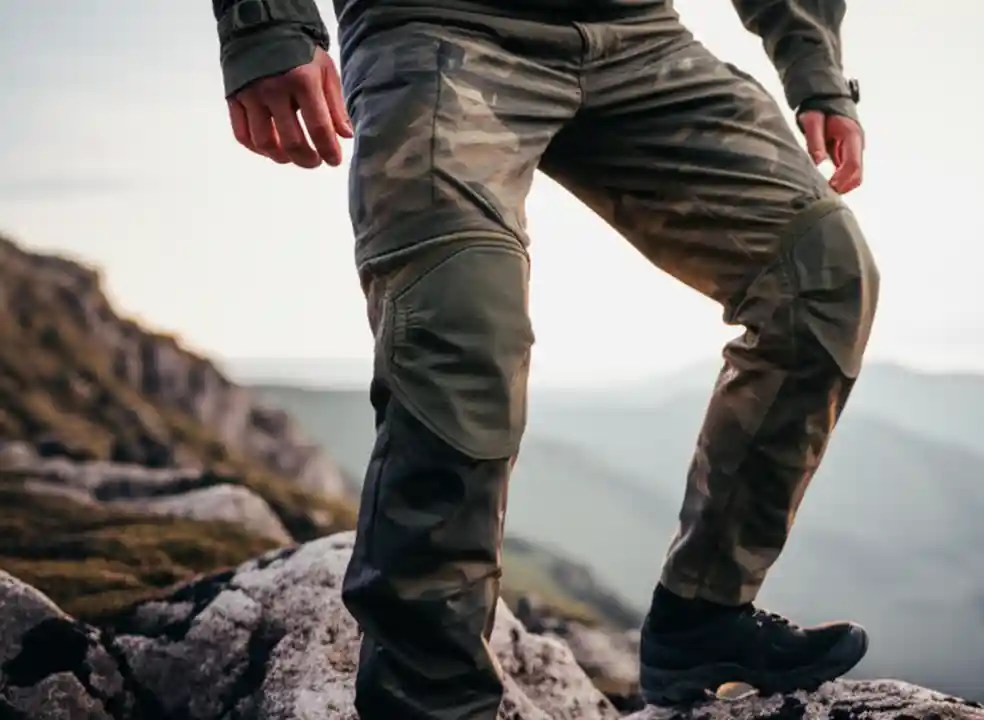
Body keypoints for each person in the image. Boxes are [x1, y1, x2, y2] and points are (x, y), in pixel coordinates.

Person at [211, 0, 879, 716]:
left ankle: (703, 618)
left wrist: (817, 72)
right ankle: (432, 703)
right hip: (436, 25)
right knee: (459, 333)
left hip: (637, 35)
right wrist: (264, 23)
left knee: (820, 275)